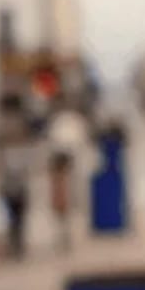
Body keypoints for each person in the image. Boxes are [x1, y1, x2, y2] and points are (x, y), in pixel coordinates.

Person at [47, 107, 89, 251]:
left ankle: (67, 238)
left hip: (70, 199)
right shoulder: (56, 176)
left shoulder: (74, 124)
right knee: (62, 217)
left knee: (69, 216)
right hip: (61, 204)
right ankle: (63, 238)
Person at [0, 115, 32, 260]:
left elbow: (27, 170)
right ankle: (13, 243)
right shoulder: (2, 152)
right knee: (10, 220)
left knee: (20, 219)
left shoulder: (23, 151)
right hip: (8, 191)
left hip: (20, 190)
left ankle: (19, 244)